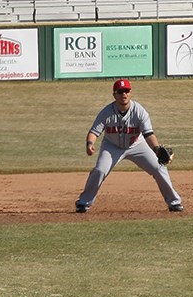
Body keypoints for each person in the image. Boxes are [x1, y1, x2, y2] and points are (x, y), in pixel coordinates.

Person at [76, 78, 183, 213]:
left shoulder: (139, 111)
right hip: (111, 146)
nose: (124, 95)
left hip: (137, 145)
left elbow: (148, 134)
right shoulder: (107, 112)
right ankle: (84, 202)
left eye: (126, 91)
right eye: (120, 92)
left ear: (130, 92)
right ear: (114, 95)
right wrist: (90, 144)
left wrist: (156, 149)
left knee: (158, 167)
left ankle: (174, 202)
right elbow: (94, 131)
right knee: (99, 170)